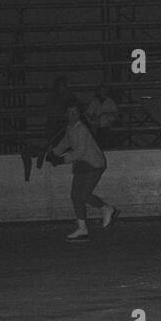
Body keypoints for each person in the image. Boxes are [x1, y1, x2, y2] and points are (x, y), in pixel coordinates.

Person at [54, 102, 117, 242]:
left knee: (82, 195)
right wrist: (52, 154)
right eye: (70, 112)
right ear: (65, 115)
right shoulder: (71, 128)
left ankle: (106, 208)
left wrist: (61, 160)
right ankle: (82, 228)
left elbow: (80, 151)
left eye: (75, 112)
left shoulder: (81, 128)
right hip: (83, 164)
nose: (73, 115)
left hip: (94, 164)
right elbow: (65, 143)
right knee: (76, 196)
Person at [86, 83, 120, 151]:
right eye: (101, 91)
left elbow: (115, 115)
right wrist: (92, 122)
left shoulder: (110, 102)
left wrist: (108, 119)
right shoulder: (94, 102)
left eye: (105, 91)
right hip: (96, 128)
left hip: (107, 128)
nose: (103, 92)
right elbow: (88, 114)